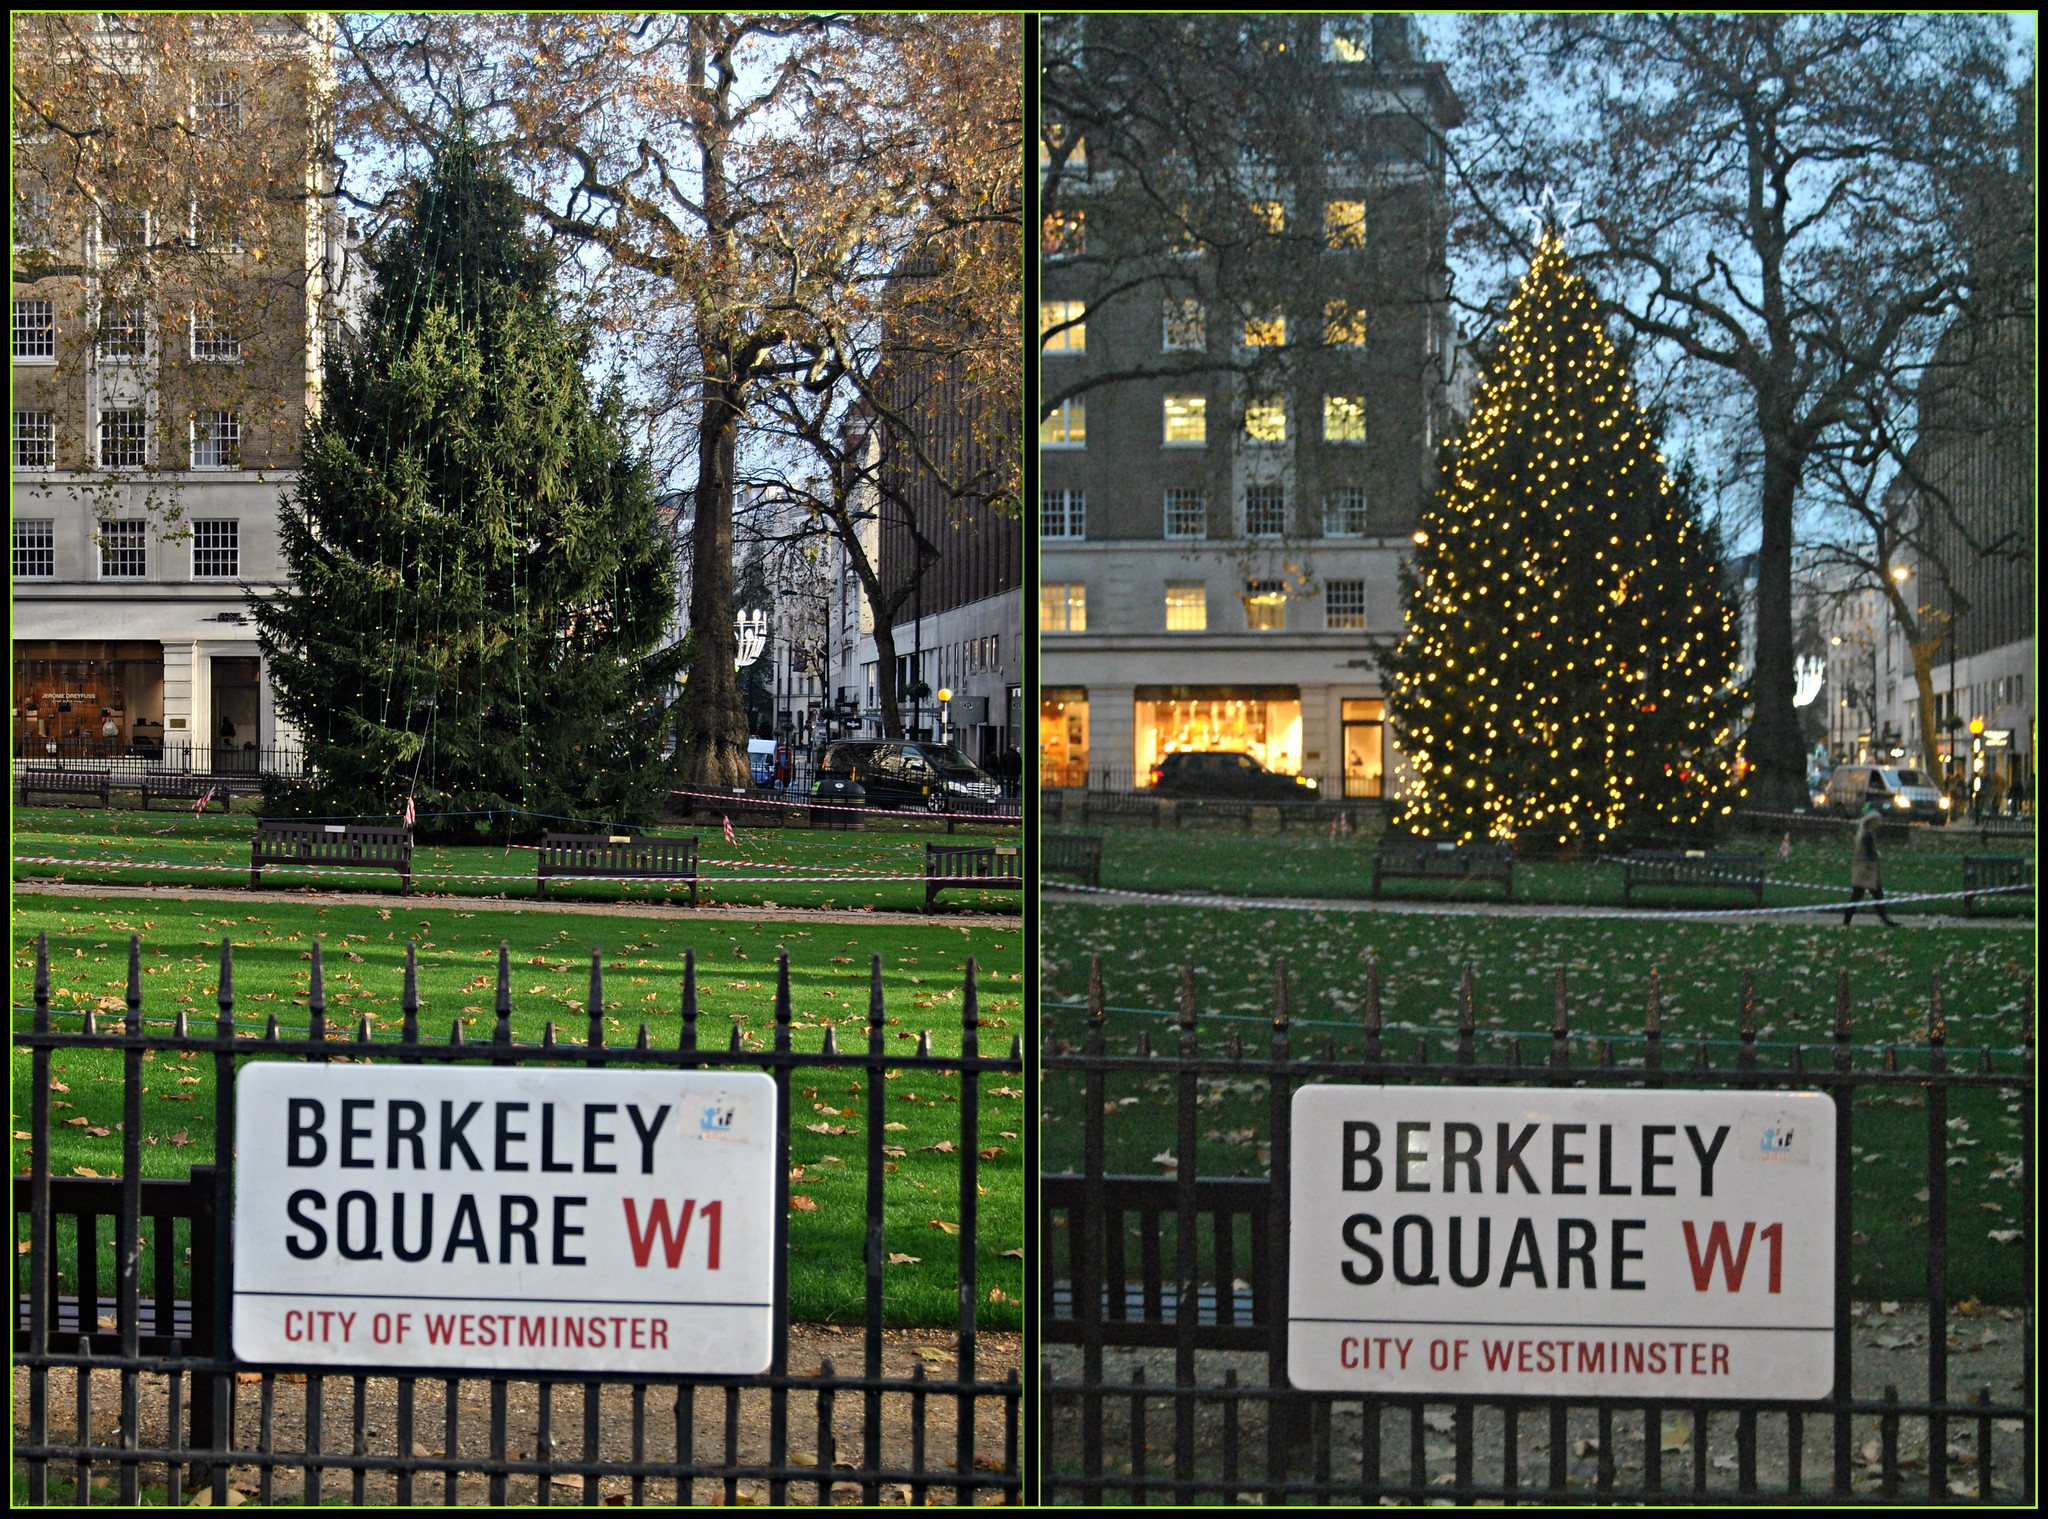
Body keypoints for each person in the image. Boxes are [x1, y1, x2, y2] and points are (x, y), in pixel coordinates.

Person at [1843, 802, 1896, 927]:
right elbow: (1870, 852)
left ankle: (1847, 921)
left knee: (1865, 895)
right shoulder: (1867, 836)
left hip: (1864, 869)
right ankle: (1847, 921)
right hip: (1866, 870)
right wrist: (1877, 854)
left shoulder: (1864, 834)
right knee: (1867, 895)